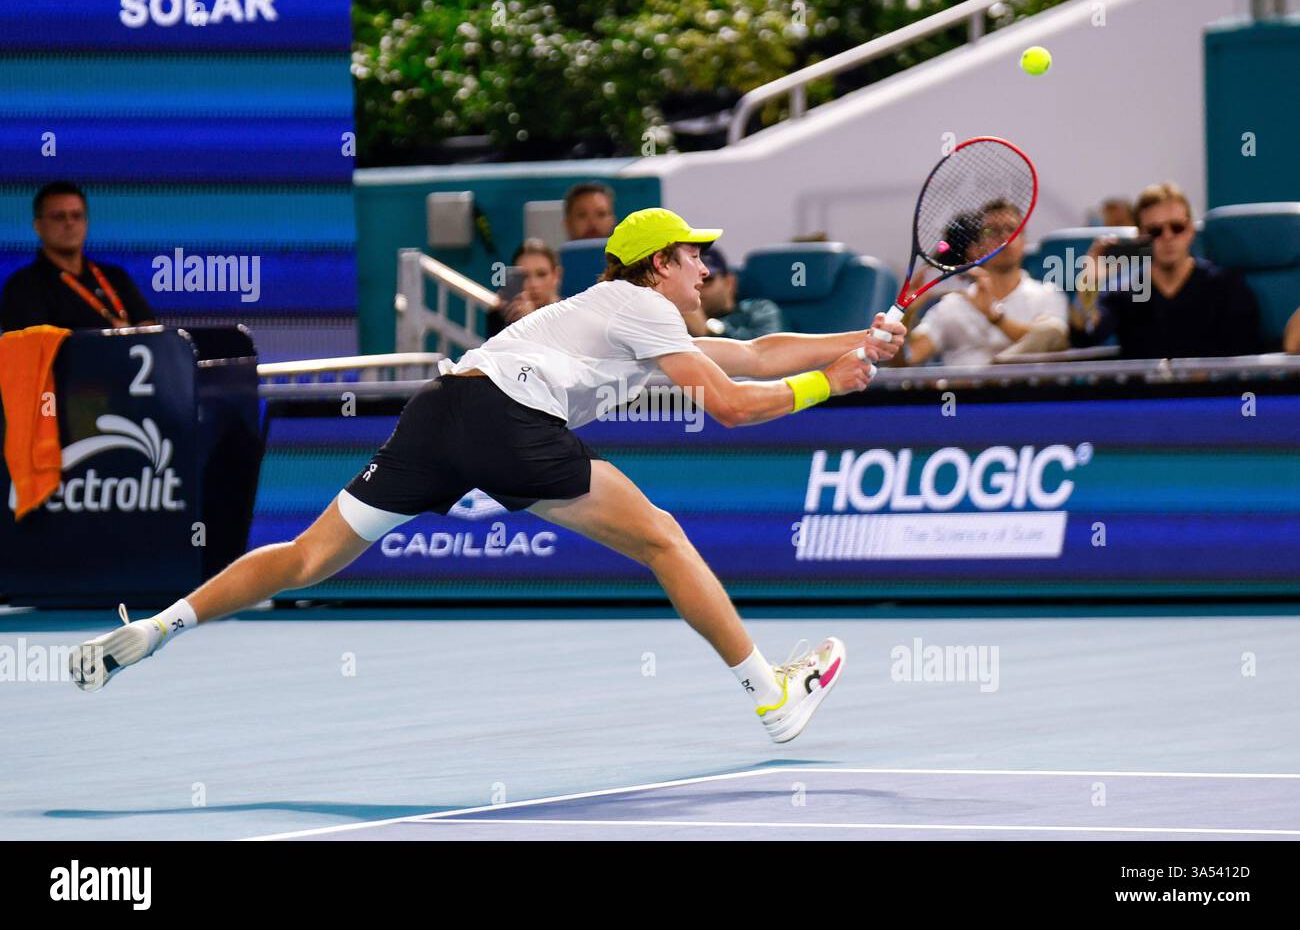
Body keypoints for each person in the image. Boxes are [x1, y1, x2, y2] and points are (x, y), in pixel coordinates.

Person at [68, 208, 906, 745]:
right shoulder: (645, 308)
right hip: (512, 417)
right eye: (694, 256)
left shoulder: (620, 314)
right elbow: (730, 404)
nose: (706, 270)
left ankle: (164, 625)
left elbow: (752, 353)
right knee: (663, 540)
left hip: (442, 412)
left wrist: (856, 341)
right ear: (658, 265)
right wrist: (827, 386)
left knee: (305, 558)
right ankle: (771, 696)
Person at [1071, 183, 1262, 359]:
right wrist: (1089, 282)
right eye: (1155, 231)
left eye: (1177, 227)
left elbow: (1244, 350)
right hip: (1145, 386)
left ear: (1190, 231)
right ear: (1141, 237)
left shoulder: (1226, 286)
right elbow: (1085, 336)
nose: (1168, 236)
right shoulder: (1124, 292)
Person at [901, 199, 1068, 366]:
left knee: (1052, 329)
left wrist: (995, 317)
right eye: (992, 231)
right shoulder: (953, 304)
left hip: (1022, 382)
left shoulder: (1048, 295)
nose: (1004, 237)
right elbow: (906, 360)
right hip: (962, 384)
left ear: (1024, 241)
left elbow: (1053, 341)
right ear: (977, 248)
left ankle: (992, 373)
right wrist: (906, 314)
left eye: (1011, 229)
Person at [0, 182, 155, 332]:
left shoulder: (115, 276)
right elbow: (32, 345)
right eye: (59, 216)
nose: (69, 223)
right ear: (38, 226)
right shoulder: (23, 286)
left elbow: (149, 328)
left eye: (76, 215)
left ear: (85, 223)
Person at [681, 246, 785, 340]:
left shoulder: (759, 311)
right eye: (690, 280)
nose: (698, 285)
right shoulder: (679, 321)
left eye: (706, 280)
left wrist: (708, 329)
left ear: (729, 282)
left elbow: (767, 349)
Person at [486, 239, 563, 336]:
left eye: (541, 274)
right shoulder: (501, 316)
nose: (533, 284)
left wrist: (530, 320)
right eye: (524, 276)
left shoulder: (572, 312)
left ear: (556, 276)